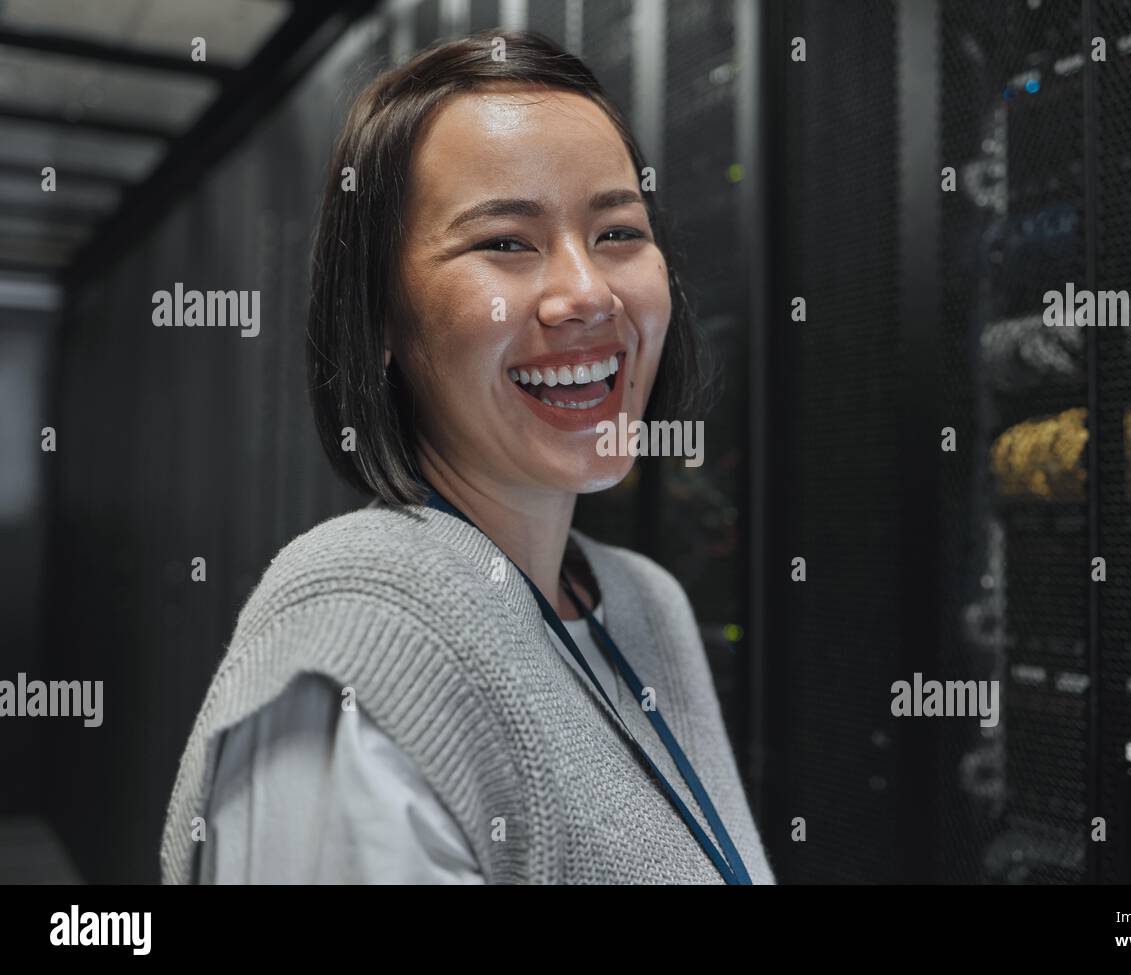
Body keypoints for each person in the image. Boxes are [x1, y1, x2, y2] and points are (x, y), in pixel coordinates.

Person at [160, 28, 775, 885]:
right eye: (506, 243)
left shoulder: (649, 605)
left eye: (619, 232)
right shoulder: (363, 631)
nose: (588, 294)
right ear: (380, 319)